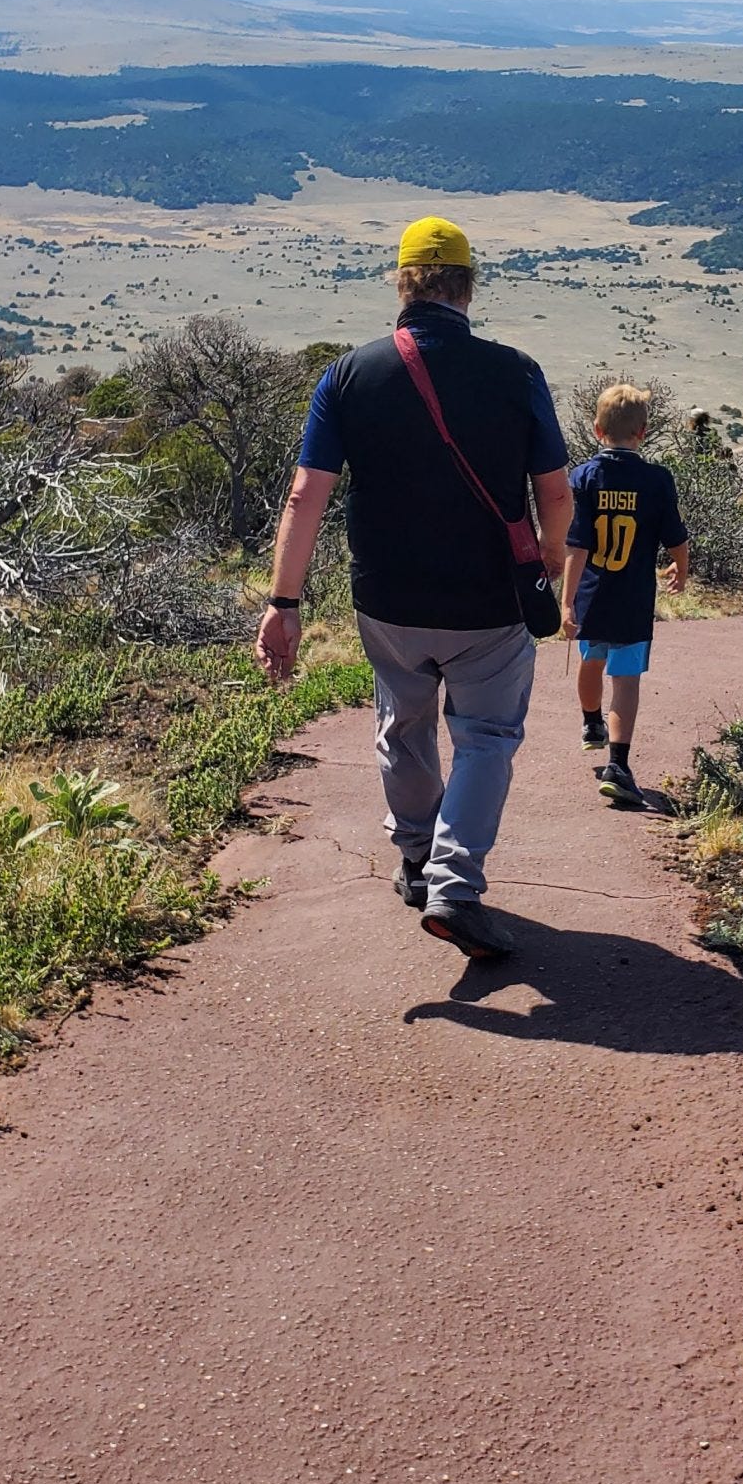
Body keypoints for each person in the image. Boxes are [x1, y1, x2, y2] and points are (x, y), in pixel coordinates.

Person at [256, 215, 571, 963]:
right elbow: (555, 492)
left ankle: (416, 859)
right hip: (490, 602)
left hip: (387, 600)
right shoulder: (517, 371)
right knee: (486, 737)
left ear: (402, 284)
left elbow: (305, 496)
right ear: (468, 288)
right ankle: (453, 886)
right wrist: (550, 563)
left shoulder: (348, 375)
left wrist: (283, 603)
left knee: (403, 723)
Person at [560, 382, 689, 811]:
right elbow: (676, 537)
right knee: (627, 681)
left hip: (592, 595)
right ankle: (618, 765)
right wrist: (681, 566)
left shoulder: (583, 477)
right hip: (633, 599)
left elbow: (576, 545)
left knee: (591, 660)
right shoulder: (656, 480)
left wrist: (566, 602)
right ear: (643, 432)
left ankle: (590, 723)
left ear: (597, 430)